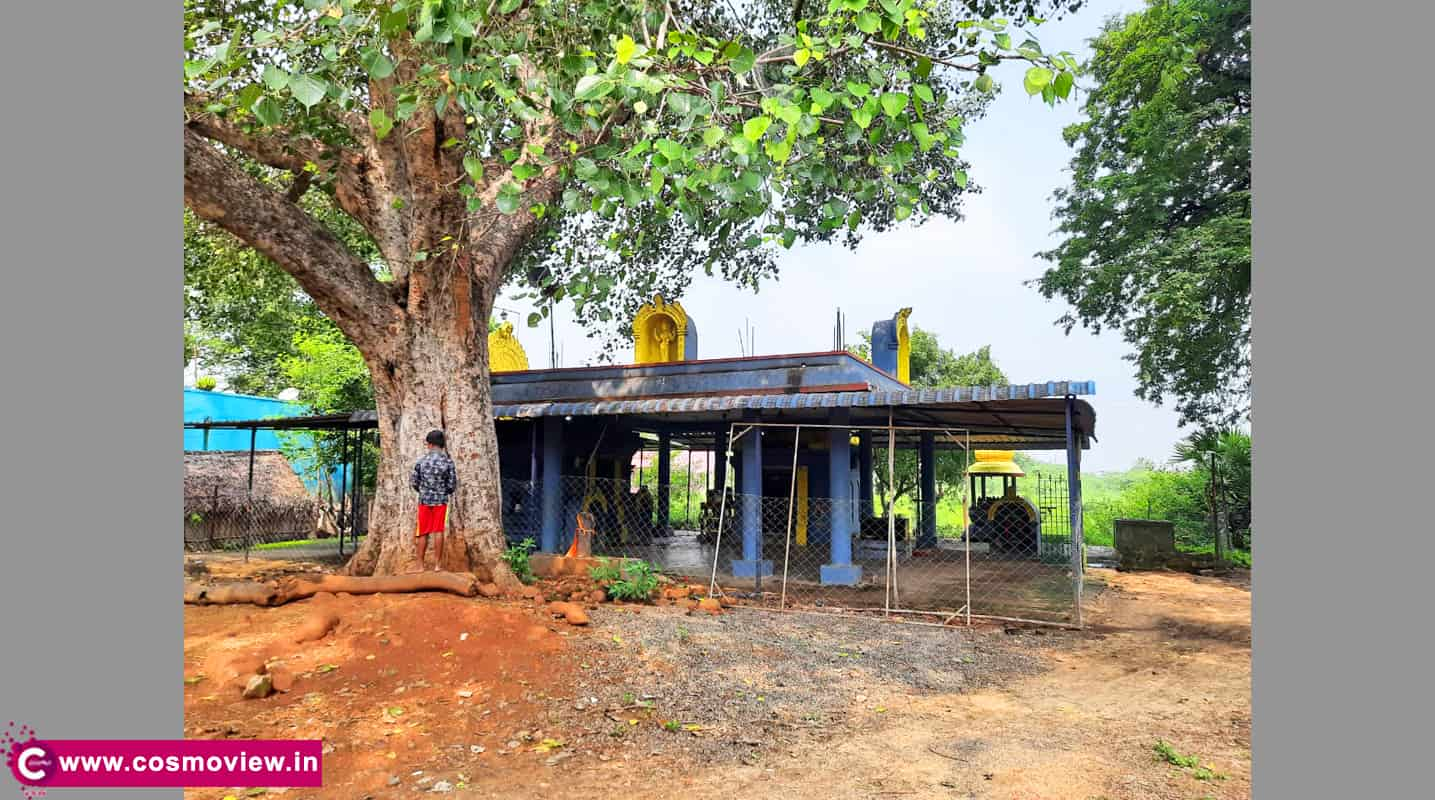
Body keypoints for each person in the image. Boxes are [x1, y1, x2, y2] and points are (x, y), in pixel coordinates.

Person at [411, 429, 457, 571]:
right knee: (438, 531)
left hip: (424, 501)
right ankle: (437, 565)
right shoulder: (448, 462)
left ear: (429, 444)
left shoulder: (421, 461)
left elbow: (414, 482)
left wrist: (424, 491)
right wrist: (443, 492)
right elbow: (452, 484)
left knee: (423, 532)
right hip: (441, 501)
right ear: (442, 445)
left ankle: (420, 565)